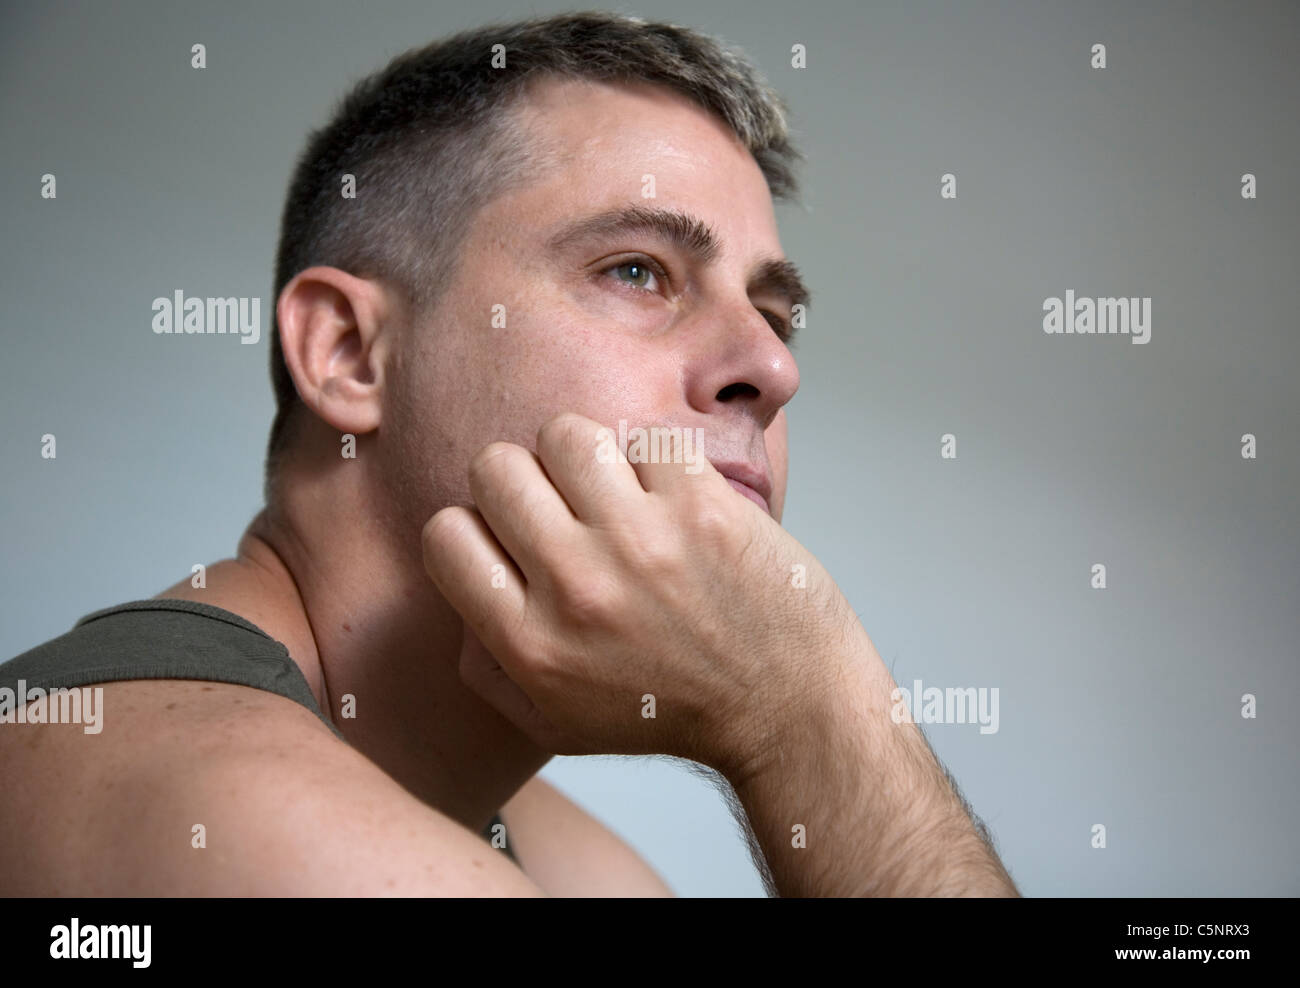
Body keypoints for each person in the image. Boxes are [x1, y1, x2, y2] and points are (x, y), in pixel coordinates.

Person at [0, 10, 1018, 897]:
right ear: (349, 353)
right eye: (638, 270)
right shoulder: (258, 827)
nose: (769, 367)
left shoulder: (566, 861)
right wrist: (805, 713)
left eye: (773, 314)